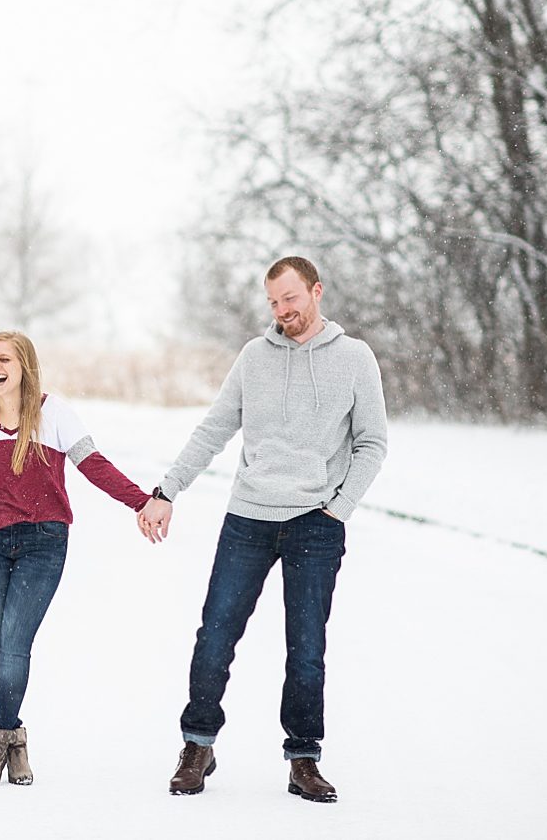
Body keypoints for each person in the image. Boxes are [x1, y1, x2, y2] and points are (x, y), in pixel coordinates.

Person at [137, 256, 387, 803]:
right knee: (215, 635)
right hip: (248, 517)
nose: (282, 311)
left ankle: (304, 759)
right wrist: (166, 490)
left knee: (306, 648)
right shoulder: (254, 357)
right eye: (273, 302)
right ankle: (197, 745)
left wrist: (337, 509)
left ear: (317, 291)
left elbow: (373, 443)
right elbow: (214, 429)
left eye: (291, 298)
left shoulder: (353, 358)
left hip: (314, 525)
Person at [0, 330, 151, 788]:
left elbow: (95, 465)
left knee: (14, 644)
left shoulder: (54, 413)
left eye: (6, 359)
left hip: (43, 542)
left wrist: (140, 501)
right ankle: (14, 739)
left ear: (24, 366)